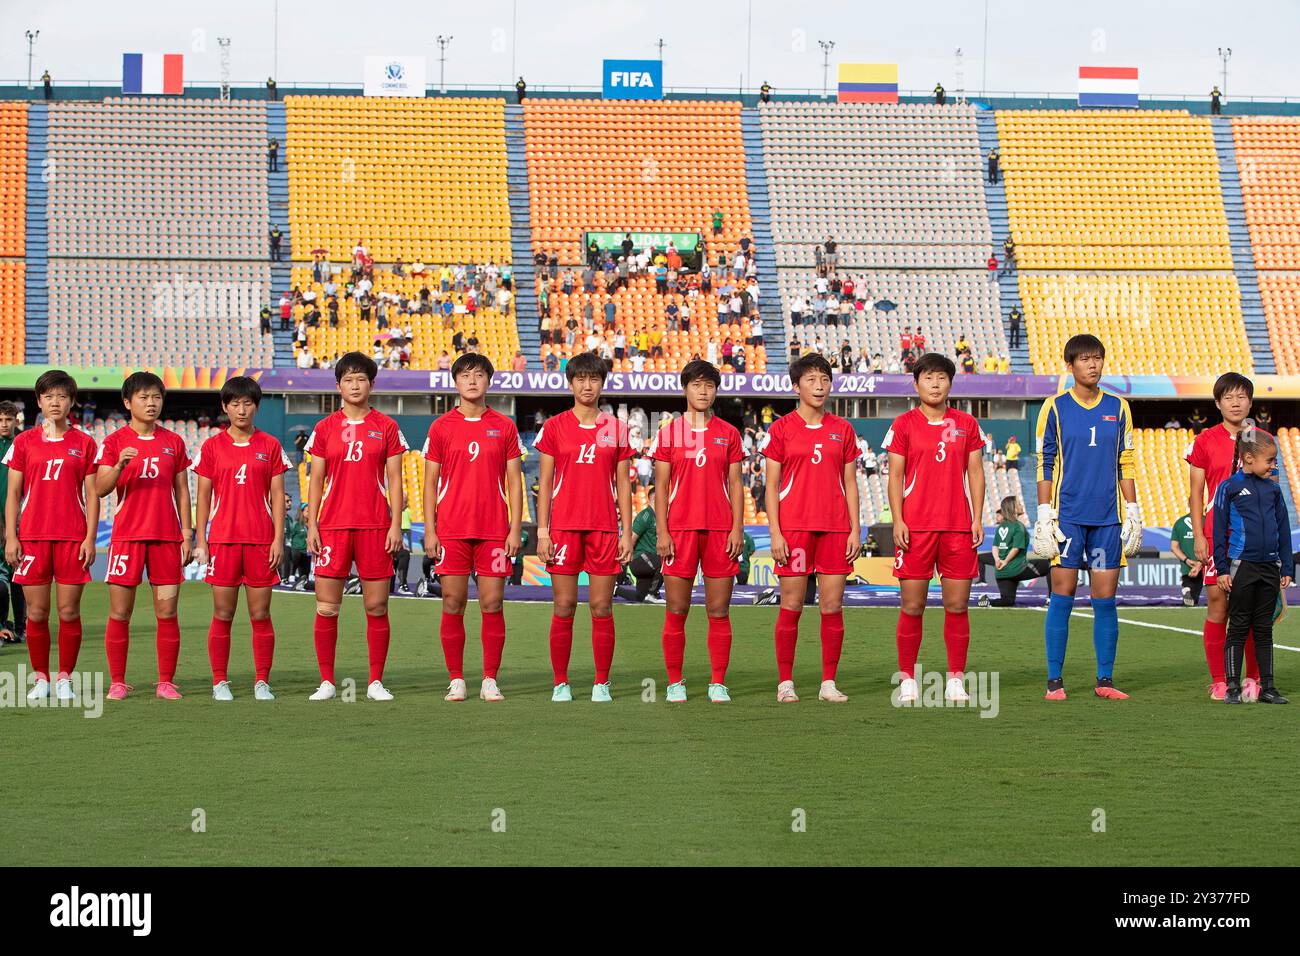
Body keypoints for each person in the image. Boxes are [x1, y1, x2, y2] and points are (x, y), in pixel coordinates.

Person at [1032, 334, 1142, 701]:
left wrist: (1134, 511)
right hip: (1068, 519)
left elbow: (1125, 461)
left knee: (1104, 599)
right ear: (1070, 365)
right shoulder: (1055, 407)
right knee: (1062, 595)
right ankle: (1054, 681)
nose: (1092, 365)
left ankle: (1105, 681)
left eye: (1097, 358)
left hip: (1108, 521)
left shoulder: (1119, 407)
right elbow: (1044, 462)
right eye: (1084, 359)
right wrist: (1045, 513)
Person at [303, 352, 409, 702]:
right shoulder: (324, 428)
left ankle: (375, 681)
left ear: (371, 384)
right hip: (332, 526)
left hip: (376, 526)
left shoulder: (387, 427)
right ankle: (327, 682)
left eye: (361, 378)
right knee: (327, 607)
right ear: (338, 386)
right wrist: (312, 524)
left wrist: (396, 524)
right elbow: (316, 480)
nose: (354, 384)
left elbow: (395, 479)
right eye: (348, 379)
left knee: (377, 607)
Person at [884, 353, 985, 703]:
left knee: (957, 606)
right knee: (912, 606)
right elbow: (895, 476)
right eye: (928, 378)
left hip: (957, 526)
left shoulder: (967, 424)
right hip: (916, 528)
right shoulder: (903, 424)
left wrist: (976, 517)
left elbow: (975, 472)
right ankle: (908, 677)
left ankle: (956, 678)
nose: (935, 384)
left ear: (950, 383)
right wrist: (898, 520)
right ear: (916, 384)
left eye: (942, 377)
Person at [534, 351, 635, 702]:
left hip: (604, 529)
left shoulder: (615, 429)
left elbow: (623, 484)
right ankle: (561, 682)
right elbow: (545, 483)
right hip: (563, 528)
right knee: (563, 606)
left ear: (602, 383)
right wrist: (543, 531)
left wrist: (626, 532)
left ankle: (601, 683)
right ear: (571, 382)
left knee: (602, 607)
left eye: (593, 378)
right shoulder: (555, 427)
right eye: (581, 378)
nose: (587, 385)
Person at [422, 353, 523, 703]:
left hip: (494, 529)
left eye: (479, 375)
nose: (472, 381)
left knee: (493, 603)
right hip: (451, 528)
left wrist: (514, 528)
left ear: (488, 381)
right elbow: (430, 482)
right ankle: (456, 679)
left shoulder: (505, 426)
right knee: (453, 601)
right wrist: (430, 530)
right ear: (456, 382)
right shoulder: (440, 427)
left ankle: (490, 678)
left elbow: (514, 481)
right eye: (465, 375)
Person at [763, 353, 860, 703]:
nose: (819, 386)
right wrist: (775, 532)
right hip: (795, 529)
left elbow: (850, 482)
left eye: (825, 379)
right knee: (791, 604)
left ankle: (828, 683)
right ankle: (785, 682)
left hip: (835, 529)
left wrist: (854, 529)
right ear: (796, 386)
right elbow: (770, 486)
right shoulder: (781, 429)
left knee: (832, 605)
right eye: (811, 380)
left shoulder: (843, 429)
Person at [93, 372, 193, 700]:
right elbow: (100, 488)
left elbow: (182, 490)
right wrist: (119, 466)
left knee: (167, 612)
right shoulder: (114, 442)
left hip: (166, 539)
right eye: (143, 397)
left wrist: (187, 534)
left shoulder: (173, 442)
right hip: (127, 539)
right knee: (120, 612)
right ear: (127, 402)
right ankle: (118, 682)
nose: (151, 404)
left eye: (156, 397)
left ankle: (166, 681)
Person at [651, 361, 745, 703]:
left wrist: (737, 527)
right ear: (685, 389)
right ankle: (675, 682)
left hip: (721, 531)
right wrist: (662, 531)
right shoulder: (669, 433)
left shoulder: (729, 433)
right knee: (677, 609)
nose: (703, 391)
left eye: (709, 385)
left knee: (719, 611)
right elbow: (660, 487)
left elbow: (736, 484)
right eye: (696, 385)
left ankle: (718, 682)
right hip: (680, 531)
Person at [192, 377, 290, 701]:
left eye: (247, 403)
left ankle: (262, 681)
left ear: (256, 406)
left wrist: (278, 538)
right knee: (222, 614)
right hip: (223, 541)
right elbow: (203, 497)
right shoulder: (211, 447)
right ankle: (220, 681)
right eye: (235, 403)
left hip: (261, 541)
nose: (241, 409)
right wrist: (201, 539)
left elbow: (278, 495)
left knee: (260, 615)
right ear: (225, 407)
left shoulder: (270, 445)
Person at [3, 371, 98, 702]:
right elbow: (14, 494)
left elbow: (93, 494)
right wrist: (12, 538)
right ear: (39, 401)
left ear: (71, 401)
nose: (55, 402)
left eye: (61, 396)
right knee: (37, 613)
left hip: (72, 538)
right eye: (48, 396)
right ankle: (41, 677)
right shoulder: (24, 442)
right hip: (33, 538)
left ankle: (65, 678)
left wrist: (89, 538)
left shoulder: (85, 443)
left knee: (69, 612)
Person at [1186, 372, 1266, 699]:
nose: (1235, 402)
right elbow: (1195, 493)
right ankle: (1219, 680)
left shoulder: (1261, 438)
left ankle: (1254, 680)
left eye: (1241, 397)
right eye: (1228, 397)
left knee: (1251, 608)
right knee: (1218, 605)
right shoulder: (1204, 441)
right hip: (1215, 532)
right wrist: (1198, 537)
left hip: (1253, 535)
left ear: (1250, 401)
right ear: (1218, 403)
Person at [1212, 429, 1291, 704]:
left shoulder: (1273, 489)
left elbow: (1283, 527)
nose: (1273, 465)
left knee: (1264, 629)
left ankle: (1267, 687)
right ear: (1248, 458)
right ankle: (1232, 688)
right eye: (1269, 460)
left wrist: (1287, 566)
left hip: (1270, 566)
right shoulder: (1229, 488)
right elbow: (1219, 529)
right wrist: (1222, 568)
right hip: (1242, 566)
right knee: (1238, 627)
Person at [980, 497, 1048, 607]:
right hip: (1017, 569)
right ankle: (1051, 599)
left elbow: (995, 546)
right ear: (1013, 508)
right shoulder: (1018, 526)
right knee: (1050, 566)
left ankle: (987, 601)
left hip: (1001, 573)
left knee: (1007, 601)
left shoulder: (1001, 526)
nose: (1021, 505)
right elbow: (1016, 548)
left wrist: (998, 560)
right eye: (1019, 504)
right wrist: (1006, 561)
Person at [1170, 511, 1203, 608]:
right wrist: (1200, 563)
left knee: (1189, 596)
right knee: (1195, 596)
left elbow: (1174, 547)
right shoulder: (1205, 520)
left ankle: (1187, 590)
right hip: (1203, 562)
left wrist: (1186, 560)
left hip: (1187, 565)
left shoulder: (1179, 522)